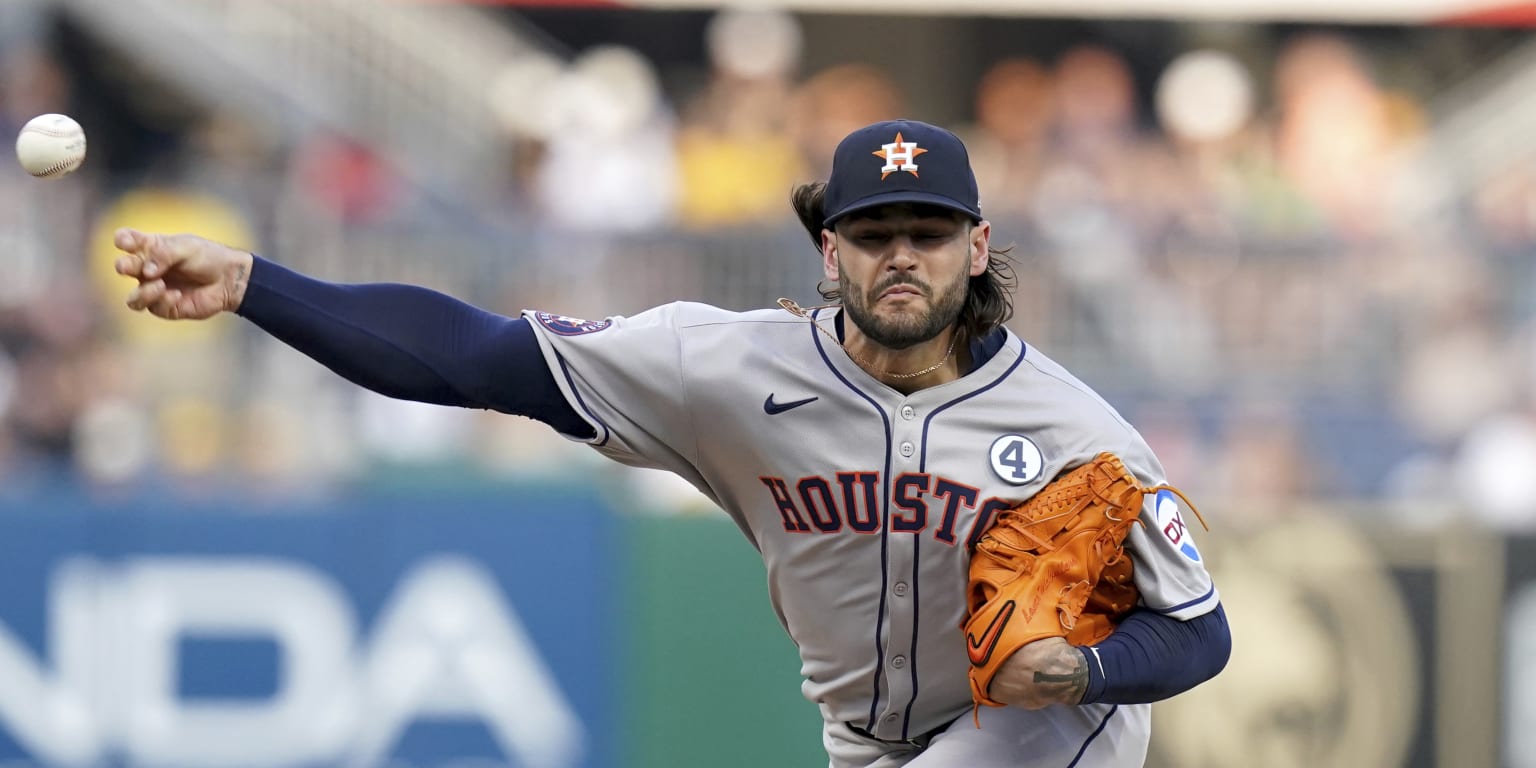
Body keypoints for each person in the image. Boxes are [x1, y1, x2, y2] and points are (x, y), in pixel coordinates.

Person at [112, 119, 1230, 767]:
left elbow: (1199, 632)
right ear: (826, 253)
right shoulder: (728, 370)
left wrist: (1084, 666)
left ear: (977, 248)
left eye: (928, 234)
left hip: (1040, 728)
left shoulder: (1077, 436)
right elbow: (472, 356)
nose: (902, 255)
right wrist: (258, 284)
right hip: (867, 739)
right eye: (871, 232)